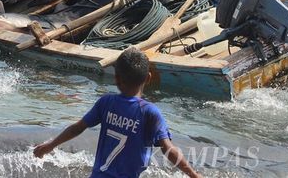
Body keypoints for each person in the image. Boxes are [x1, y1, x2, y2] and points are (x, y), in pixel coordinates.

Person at [33, 47, 201, 178]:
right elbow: (168, 149)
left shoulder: (106, 102)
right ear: (148, 78)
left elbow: (77, 128)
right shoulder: (150, 112)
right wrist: (193, 174)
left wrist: (50, 145)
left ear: (116, 78)